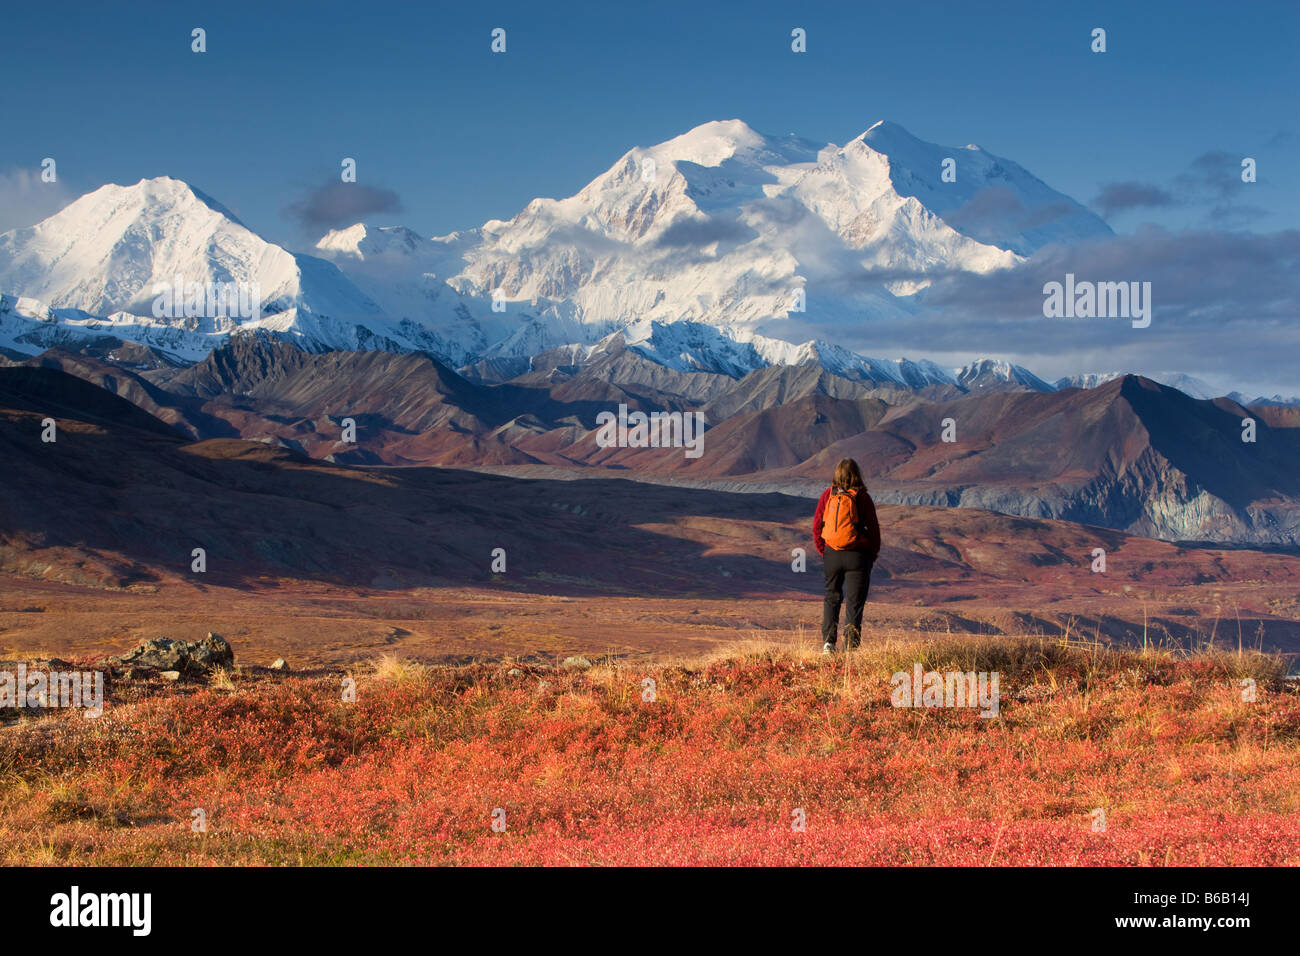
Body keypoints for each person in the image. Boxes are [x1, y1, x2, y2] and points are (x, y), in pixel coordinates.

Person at [811, 458, 881, 654]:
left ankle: (828, 644)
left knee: (831, 598)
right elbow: (874, 530)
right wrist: (871, 555)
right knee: (854, 602)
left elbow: (817, 526)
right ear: (857, 474)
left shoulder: (828, 494)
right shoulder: (862, 497)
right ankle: (850, 648)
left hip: (832, 554)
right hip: (857, 556)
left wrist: (824, 551)